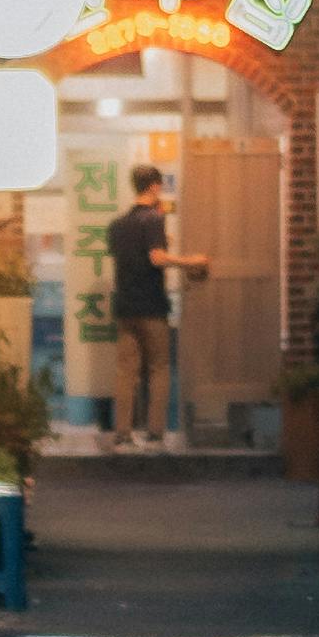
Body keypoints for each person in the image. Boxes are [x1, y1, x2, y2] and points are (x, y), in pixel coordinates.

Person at [105, 166, 204, 447]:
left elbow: (128, 256)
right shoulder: (153, 219)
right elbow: (157, 258)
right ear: (153, 186)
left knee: (126, 371)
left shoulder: (117, 225)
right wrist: (191, 261)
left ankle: (122, 433)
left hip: (125, 306)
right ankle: (155, 431)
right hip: (151, 306)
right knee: (159, 368)